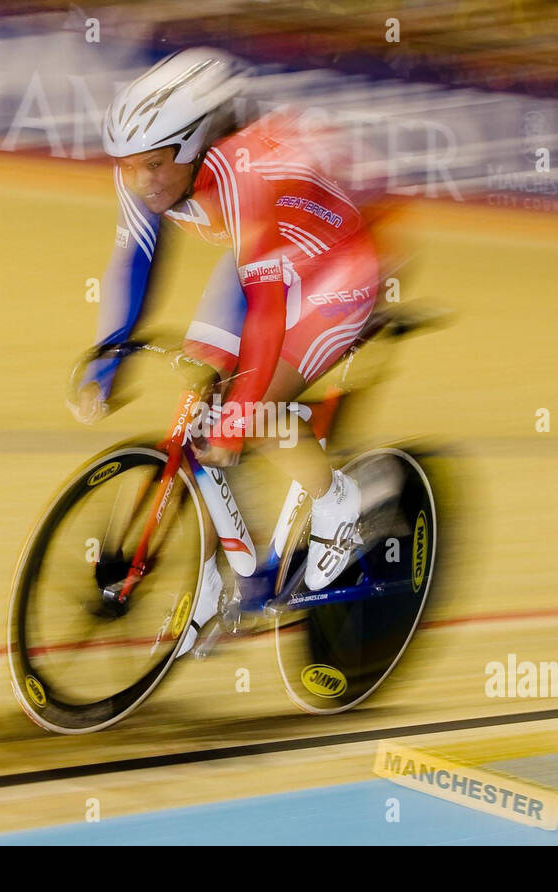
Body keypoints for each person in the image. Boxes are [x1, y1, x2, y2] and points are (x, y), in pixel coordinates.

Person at [74, 47, 380, 653]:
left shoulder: (243, 177)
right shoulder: (150, 163)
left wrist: (244, 413)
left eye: (155, 166)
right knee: (201, 402)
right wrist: (110, 356)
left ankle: (337, 503)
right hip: (262, 265)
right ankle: (216, 576)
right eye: (130, 167)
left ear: (192, 148)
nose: (143, 180)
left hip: (334, 266)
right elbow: (135, 257)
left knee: (257, 410)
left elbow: (268, 312)